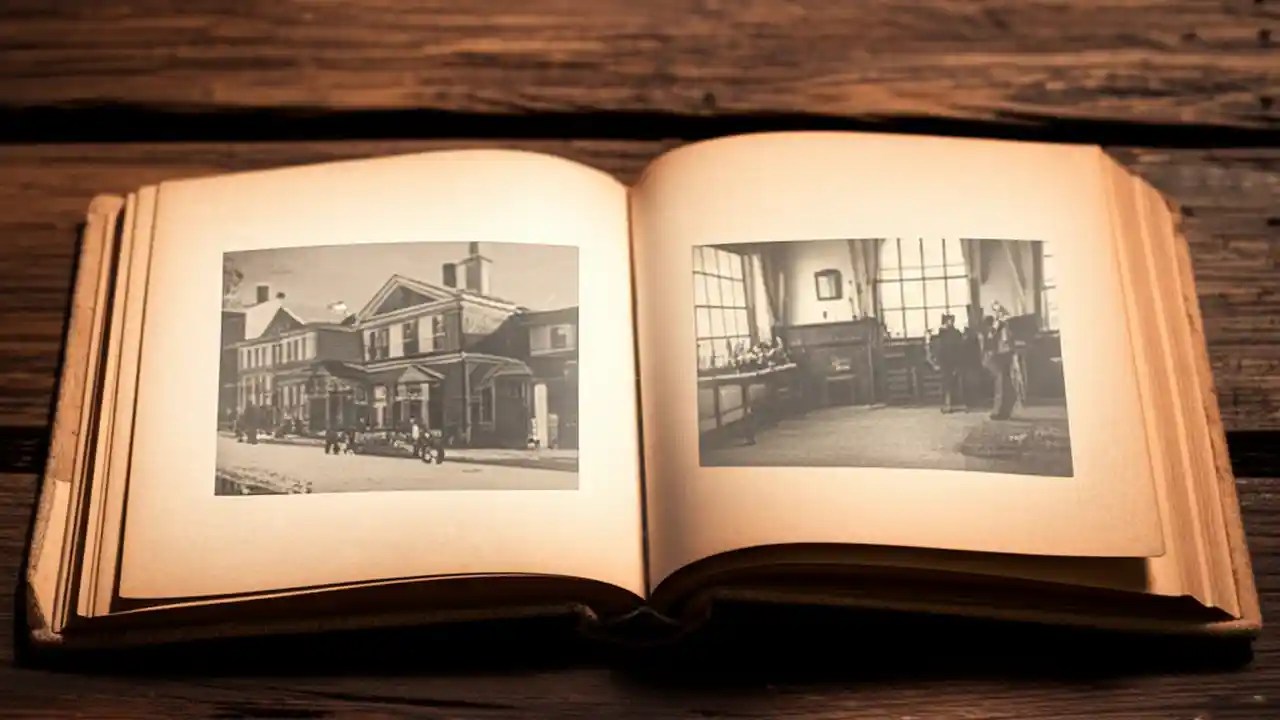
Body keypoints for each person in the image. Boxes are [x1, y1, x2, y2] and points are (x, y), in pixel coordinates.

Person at [927, 313, 965, 413]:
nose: (951, 322)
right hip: (945, 360)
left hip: (954, 359)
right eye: (949, 320)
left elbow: (960, 347)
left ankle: (953, 403)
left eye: (952, 320)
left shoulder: (955, 333)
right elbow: (938, 347)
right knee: (946, 382)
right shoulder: (942, 334)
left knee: (953, 381)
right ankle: (947, 404)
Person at [986, 302, 1017, 420]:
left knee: (1003, 383)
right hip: (1001, 354)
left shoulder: (1004, 324)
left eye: (999, 312)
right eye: (996, 312)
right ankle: (1002, 410)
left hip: (1004, 354)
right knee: (1002, 382)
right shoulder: (1000, 324)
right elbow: (992, 337)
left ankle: (1002, 411)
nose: (997, 314)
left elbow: (1005, 339)